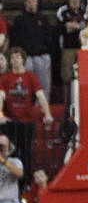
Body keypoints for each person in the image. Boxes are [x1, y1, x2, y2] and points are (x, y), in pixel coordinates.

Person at [0, 48, 53, 184]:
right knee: (10, 152)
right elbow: (1, 97)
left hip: (27, 122)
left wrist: (47, 113)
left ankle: (26, 182)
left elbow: (40, 95)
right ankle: (10, 183)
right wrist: (0, 115)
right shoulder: (6, 77)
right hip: (11, 122)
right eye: (12, 58)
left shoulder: (30, 76)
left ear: (23, 59)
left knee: (27, 152)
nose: (15, 60)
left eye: (17, 57)